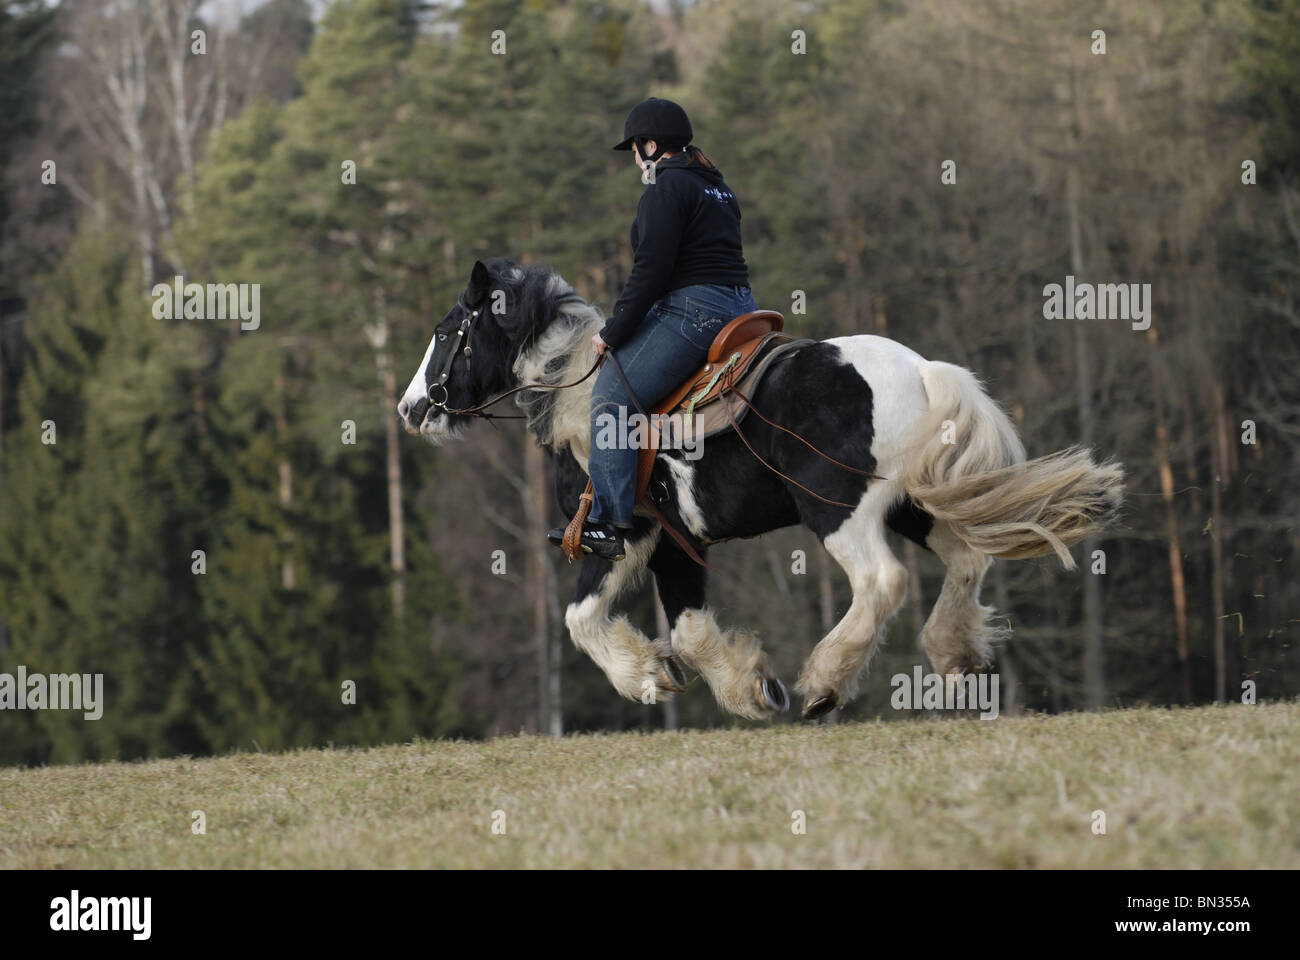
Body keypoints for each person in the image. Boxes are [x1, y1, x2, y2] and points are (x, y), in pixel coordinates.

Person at [548, 97, 756, 561]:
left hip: (694, 312)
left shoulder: (665, 189)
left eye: (636, 149)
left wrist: (613, 333)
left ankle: (608, 521)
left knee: (610, 397)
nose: (636, 161)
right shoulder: (717, 187)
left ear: (651, 145)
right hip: (742, 308)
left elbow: (650, 274)